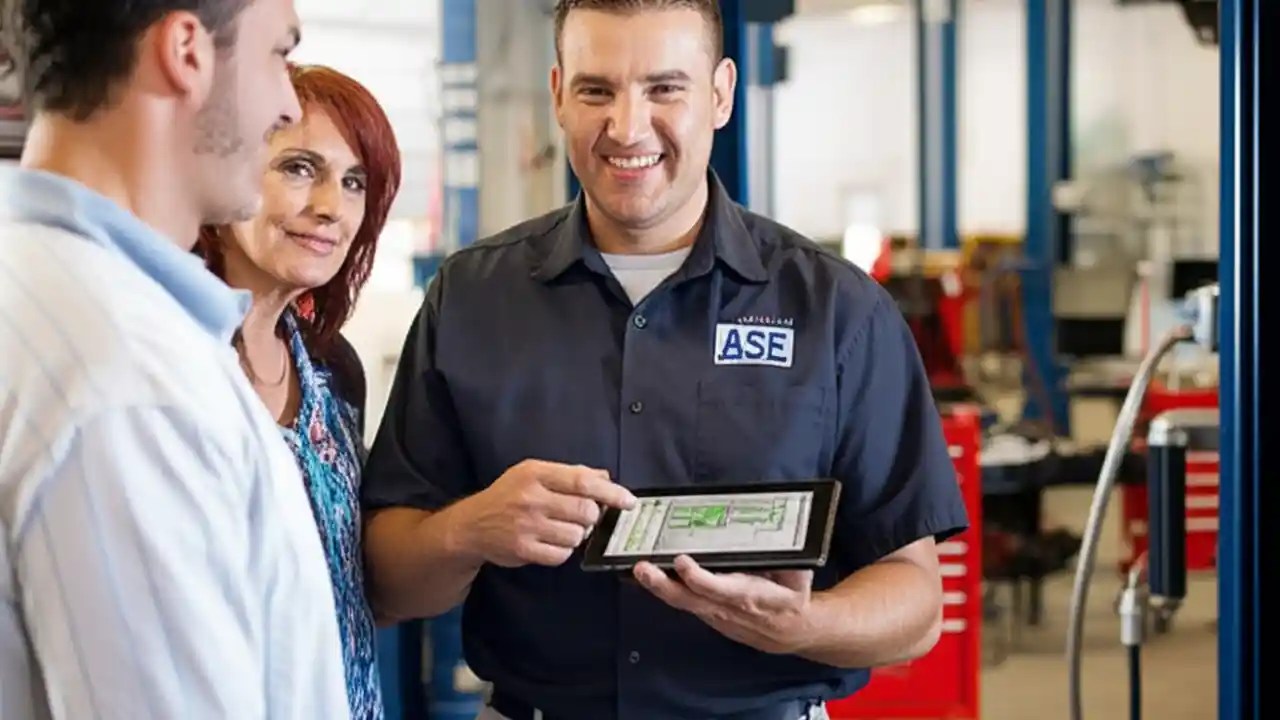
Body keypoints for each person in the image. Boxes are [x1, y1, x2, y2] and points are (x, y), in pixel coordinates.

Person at [361, 0, 970, 718]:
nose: (626, 127)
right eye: (596, 90)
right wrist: (470, 529)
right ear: (557, 93)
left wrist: (802, 626)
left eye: (664, 88)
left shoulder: (838, 311)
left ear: (720, 94)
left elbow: (916, 601)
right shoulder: (470, 300)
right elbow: (391, 586)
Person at [0, 2, 350, 719]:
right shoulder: (130, 387)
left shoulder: (45, 292)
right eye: (278, 55)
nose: (286, 103)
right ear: (187, 50)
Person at [196, 62, 402, 720]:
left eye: (353, 183)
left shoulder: (334, 369)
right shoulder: (172, 362)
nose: (329, 208)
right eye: (298, 168)